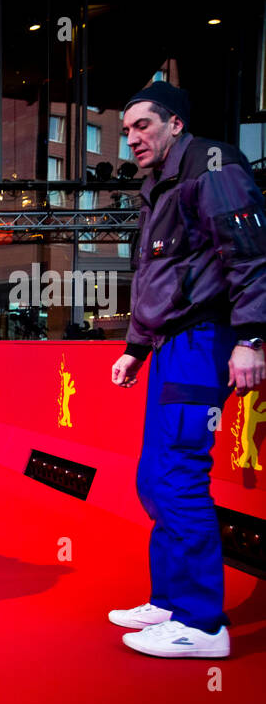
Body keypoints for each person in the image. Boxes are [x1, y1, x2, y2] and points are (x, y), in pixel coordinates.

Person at [110, 81, 266, 658]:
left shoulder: (213, 165)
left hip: (206, 341)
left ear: (175, 124)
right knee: (154, 480)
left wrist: (252, 338)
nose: (133, 139)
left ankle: (204, 625)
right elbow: (162, 279)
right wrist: (136, 346)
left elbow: (249, 254)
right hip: (173, 343)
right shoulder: (159, 185)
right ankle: (172, 603)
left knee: (178, 477)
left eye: (143, 126)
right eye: (127, 131)